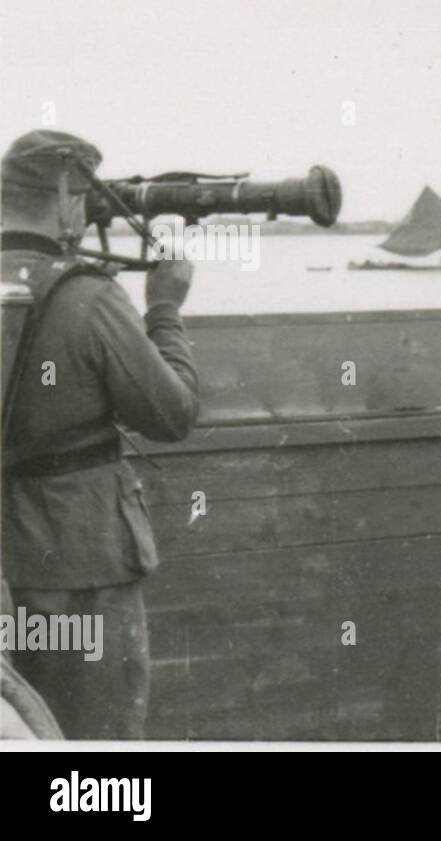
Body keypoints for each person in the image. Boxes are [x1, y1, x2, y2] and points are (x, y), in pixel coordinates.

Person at [0, 129, 200, 739]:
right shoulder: (88, 295)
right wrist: (164, 307)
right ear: (66, 198)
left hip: (9, 571)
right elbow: (172, 415)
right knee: (96, 741)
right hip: (80, 565)